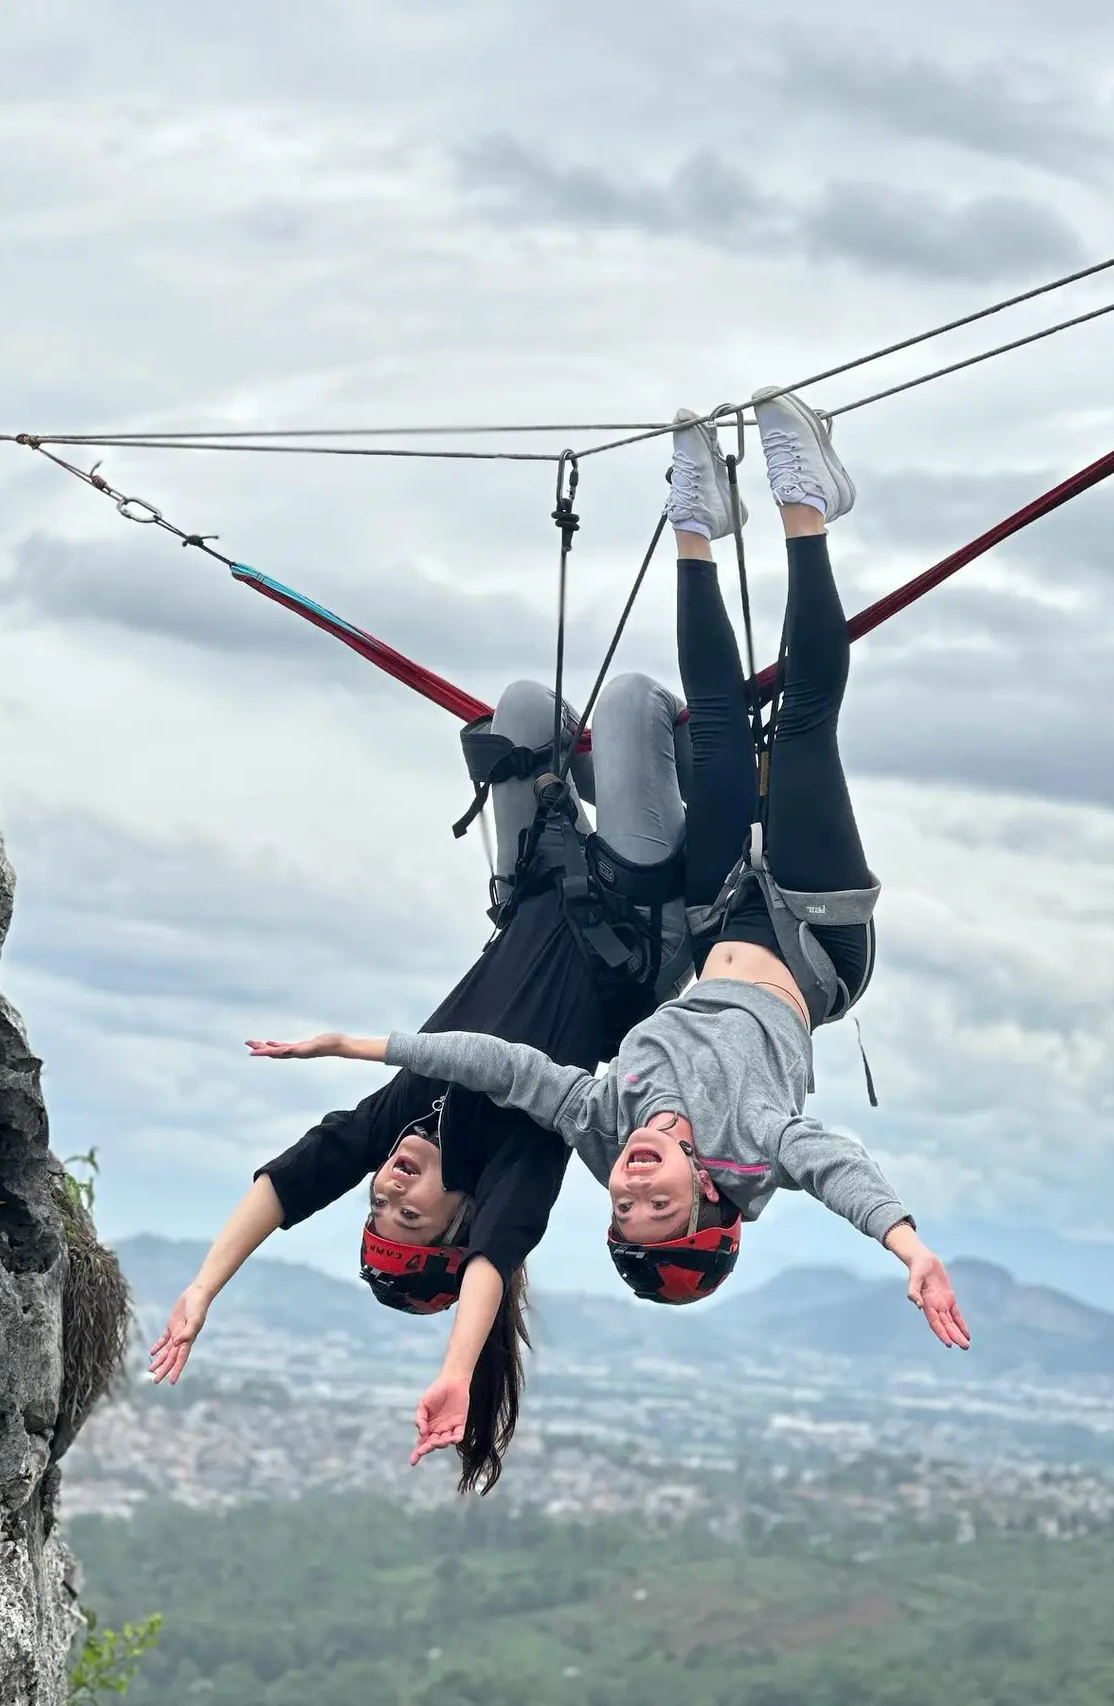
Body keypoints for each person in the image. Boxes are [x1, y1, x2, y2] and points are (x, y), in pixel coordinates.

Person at [301, 391, 970, 1350]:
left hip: (714, 924)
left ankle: (696, 518)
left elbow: (510, 1068)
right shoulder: (757, 1146)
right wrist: (909, 1249)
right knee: (809, 717)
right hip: (816, 941)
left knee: (722, 714)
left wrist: (372, 1046)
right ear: (713, 1198)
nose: (634, 1188)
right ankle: (805, 502)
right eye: (659, 1207)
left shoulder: (608, 1128)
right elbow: (839, 1172)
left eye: (622, 1211)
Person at [149, 668, 693, 1493]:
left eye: (379, 1202)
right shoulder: (517, 1155)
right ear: (463, 1218)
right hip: (637, 921)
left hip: (545, 889)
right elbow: (494, 1259)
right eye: (409, 1214)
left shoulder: (406, 1118)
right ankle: (679, 780)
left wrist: (201, 1290)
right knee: (628, 704)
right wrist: (456, 1371)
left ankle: (632, 779)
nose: (391, 1183)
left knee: (522, 712)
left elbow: (292, 1182)